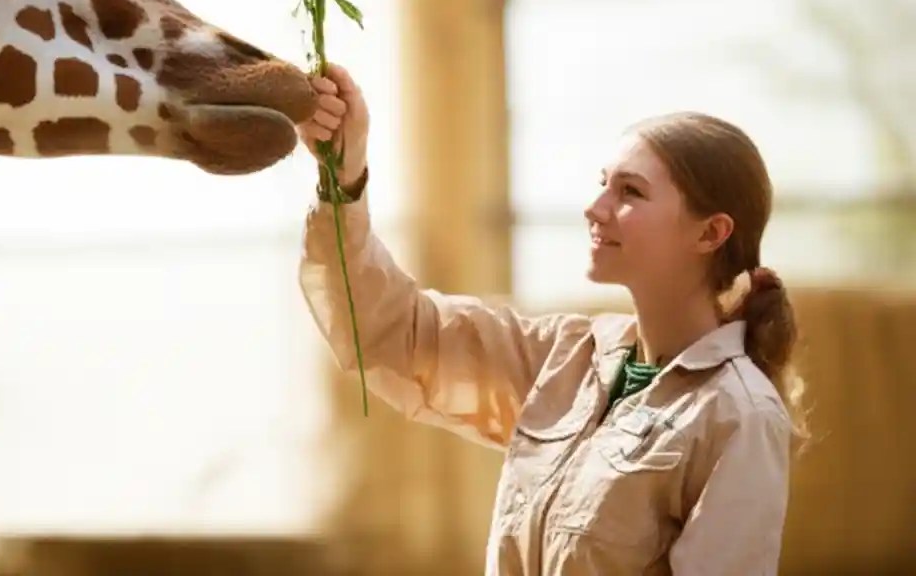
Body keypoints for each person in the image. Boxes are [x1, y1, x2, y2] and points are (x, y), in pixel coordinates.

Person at [296, 64, 807, 575]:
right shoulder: (567, 357)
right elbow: (393, 331)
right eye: (603, 184)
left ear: (710, 233)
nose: (594, 207)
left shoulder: (739, 415)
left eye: (630, 192)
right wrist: (344, 176)